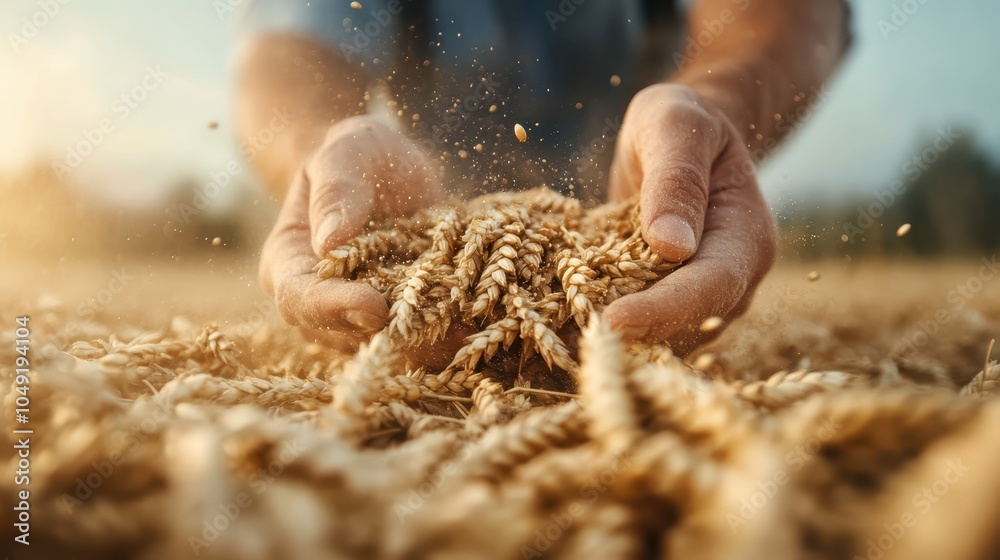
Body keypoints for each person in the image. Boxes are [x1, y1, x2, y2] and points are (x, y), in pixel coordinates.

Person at [237, 0, 851, 356]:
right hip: (421, 217)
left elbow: (788, 11)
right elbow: (290, 52)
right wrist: (317, 151)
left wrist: (712, 107)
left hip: (640, 217)